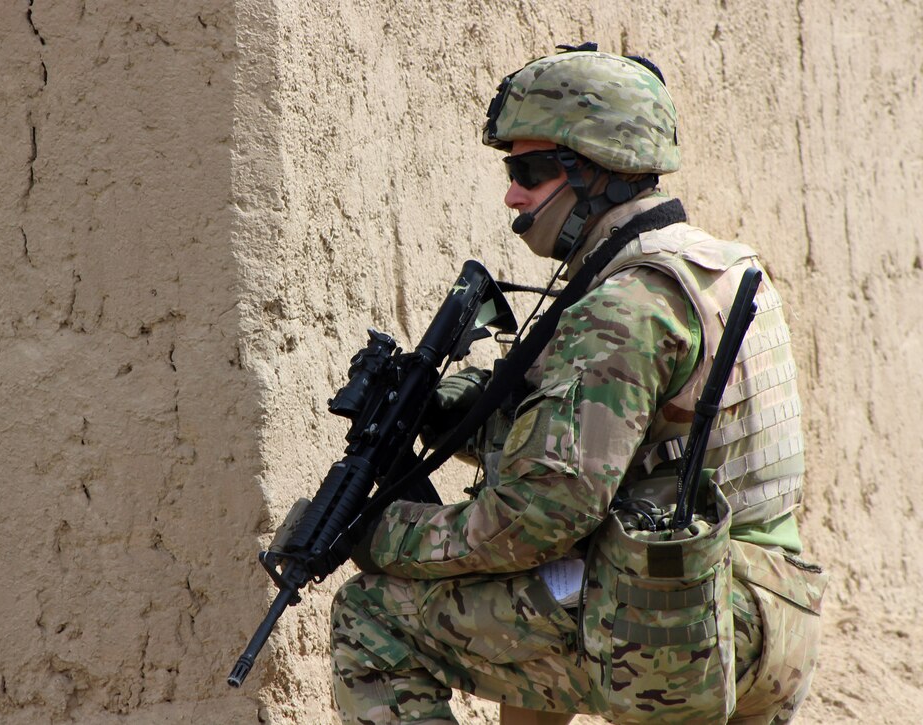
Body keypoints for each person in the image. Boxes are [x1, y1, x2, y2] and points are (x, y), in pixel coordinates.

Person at [329, 44, 827, 725]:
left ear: (601, 171)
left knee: (371, 615)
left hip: (681, 634)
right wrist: (453, 407)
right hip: (770, 617)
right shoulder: (717, 266)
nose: (513, 193)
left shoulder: (624, 305)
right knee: (536, 604)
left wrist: (378, 534)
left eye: (529, 171)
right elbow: (618, 436)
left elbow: (532, 521)